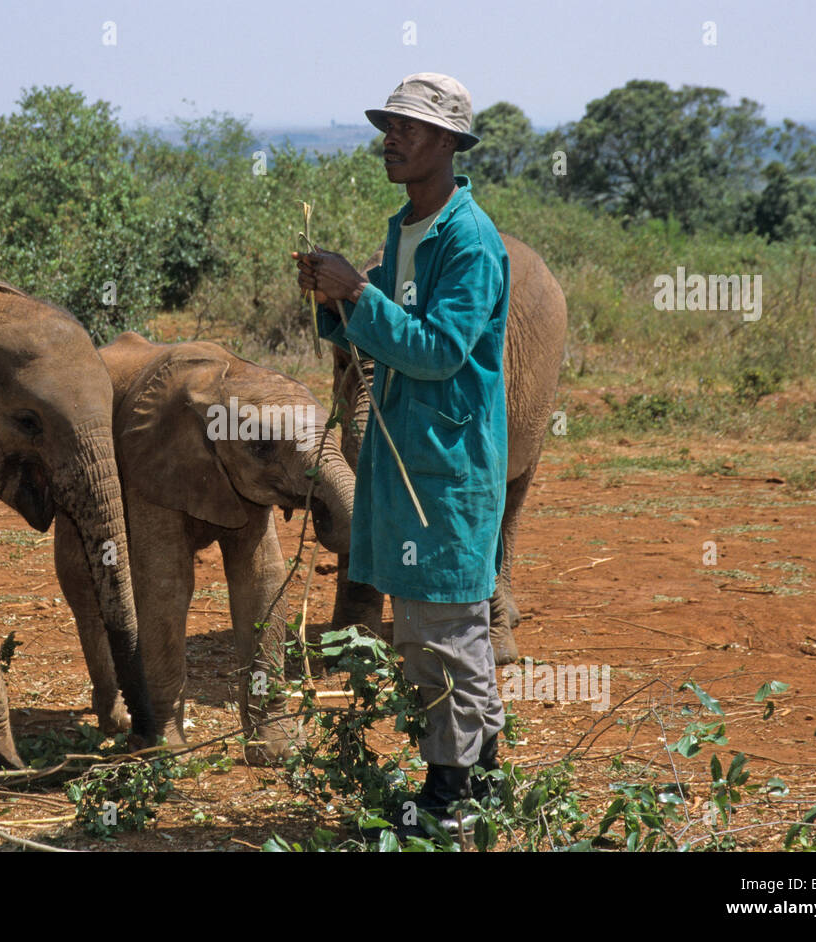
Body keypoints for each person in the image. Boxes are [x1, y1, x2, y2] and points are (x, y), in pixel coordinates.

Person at [292, 73, 509, 837]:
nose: (392, 138)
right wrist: (338, 302)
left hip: (446, 468)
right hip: (410, 461)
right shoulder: (409, 226)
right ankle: (481, 778)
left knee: (438, 632)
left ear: (448, 143)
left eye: (409, 129)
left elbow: (442, 351)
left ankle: (448, 800)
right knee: (446, 626)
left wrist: (361, 294)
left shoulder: (468, 239)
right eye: (389, 125)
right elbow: (383, 330)